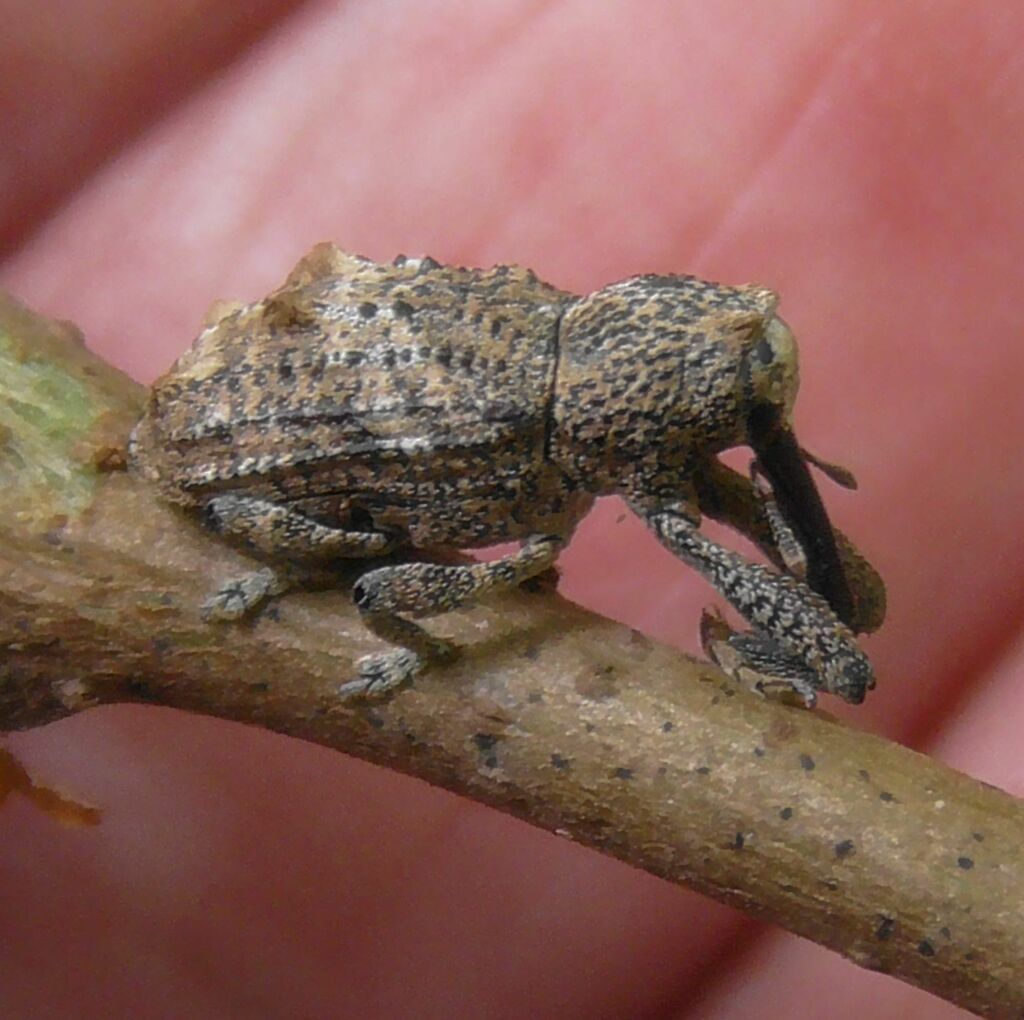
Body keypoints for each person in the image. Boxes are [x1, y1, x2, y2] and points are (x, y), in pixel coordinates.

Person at [1, 4, 1020, 1017]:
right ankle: (422, 645)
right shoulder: (540, 423)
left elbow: (815, 594)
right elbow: (388, 589)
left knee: (827, 636)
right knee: (379, 576)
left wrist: (786, 534)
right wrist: (418, 640)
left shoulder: (587, 376)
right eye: (736, 411)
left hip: (296, 393)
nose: (749, 438)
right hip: (229, 456)